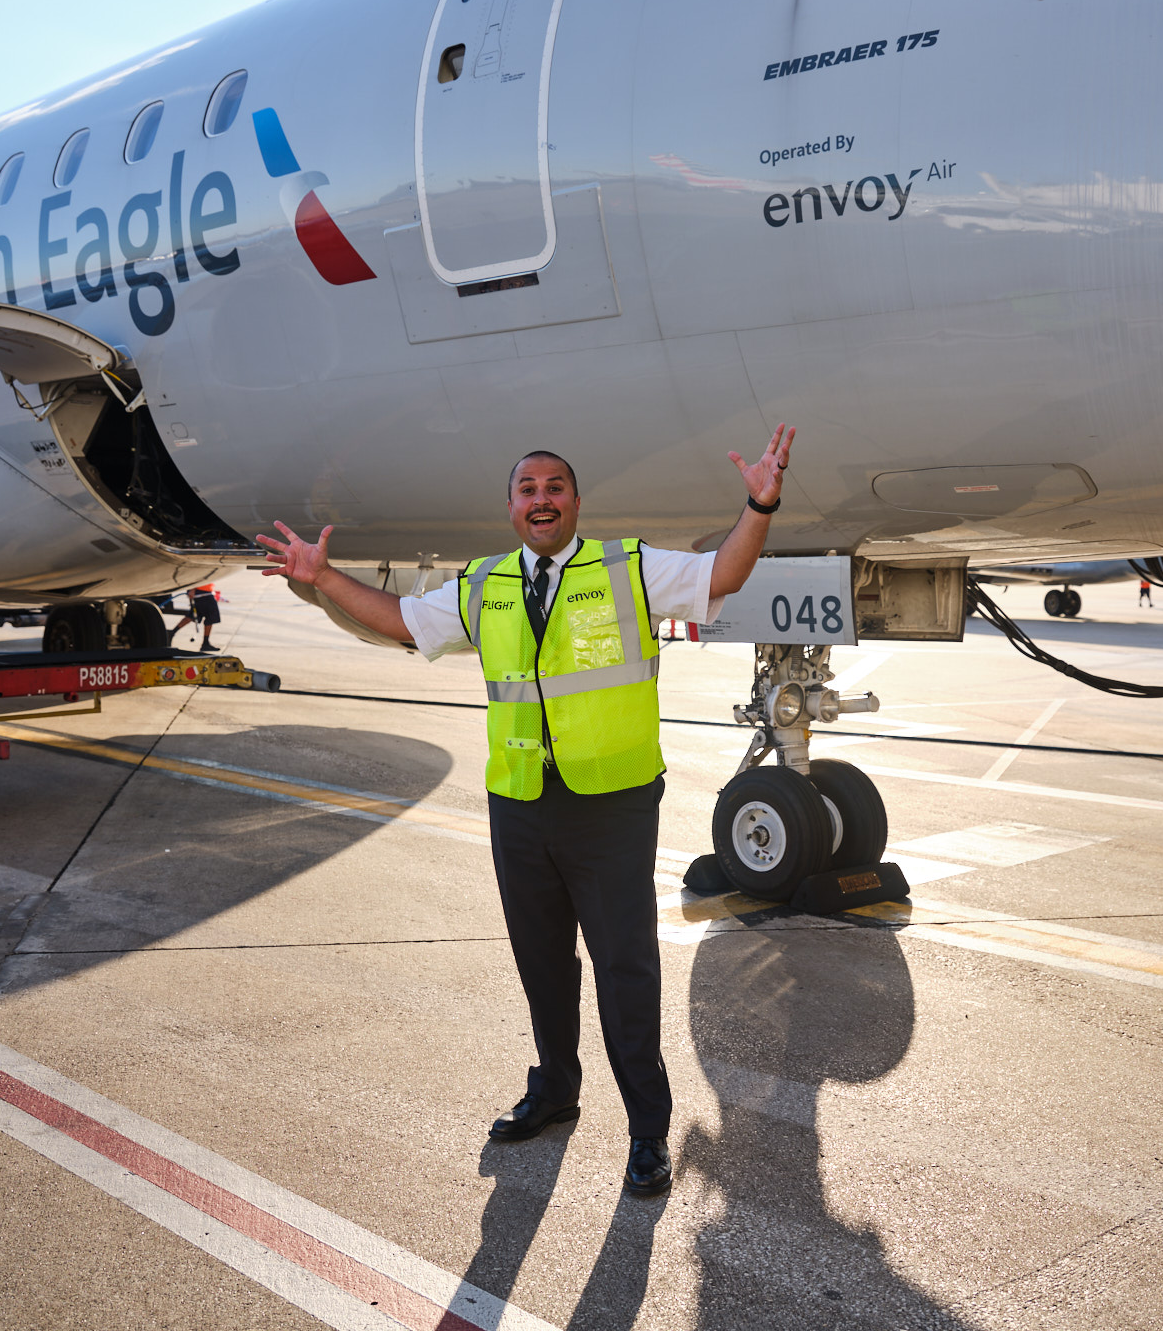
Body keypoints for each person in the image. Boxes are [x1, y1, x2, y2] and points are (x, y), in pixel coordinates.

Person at [257, 425, 795, 1200]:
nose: (541, 499)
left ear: (575, 502)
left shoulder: (628, 567)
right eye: (527, 489)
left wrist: (758, 503)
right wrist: (325, 578)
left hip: (610, 806)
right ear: (511, 507)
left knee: (625, 972)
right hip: (520, 806)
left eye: (554, 487)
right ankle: (554, 1091)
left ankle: (647, 1130)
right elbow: (403, 620)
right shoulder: (488, 583)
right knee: (542, 964)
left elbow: (726, 574)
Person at [188, 583, 222, 650]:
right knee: (211, 617)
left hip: (205, 591)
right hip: (202, 592)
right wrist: (192, 588)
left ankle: (172, 633)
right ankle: (205, 643)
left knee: (193, 615)